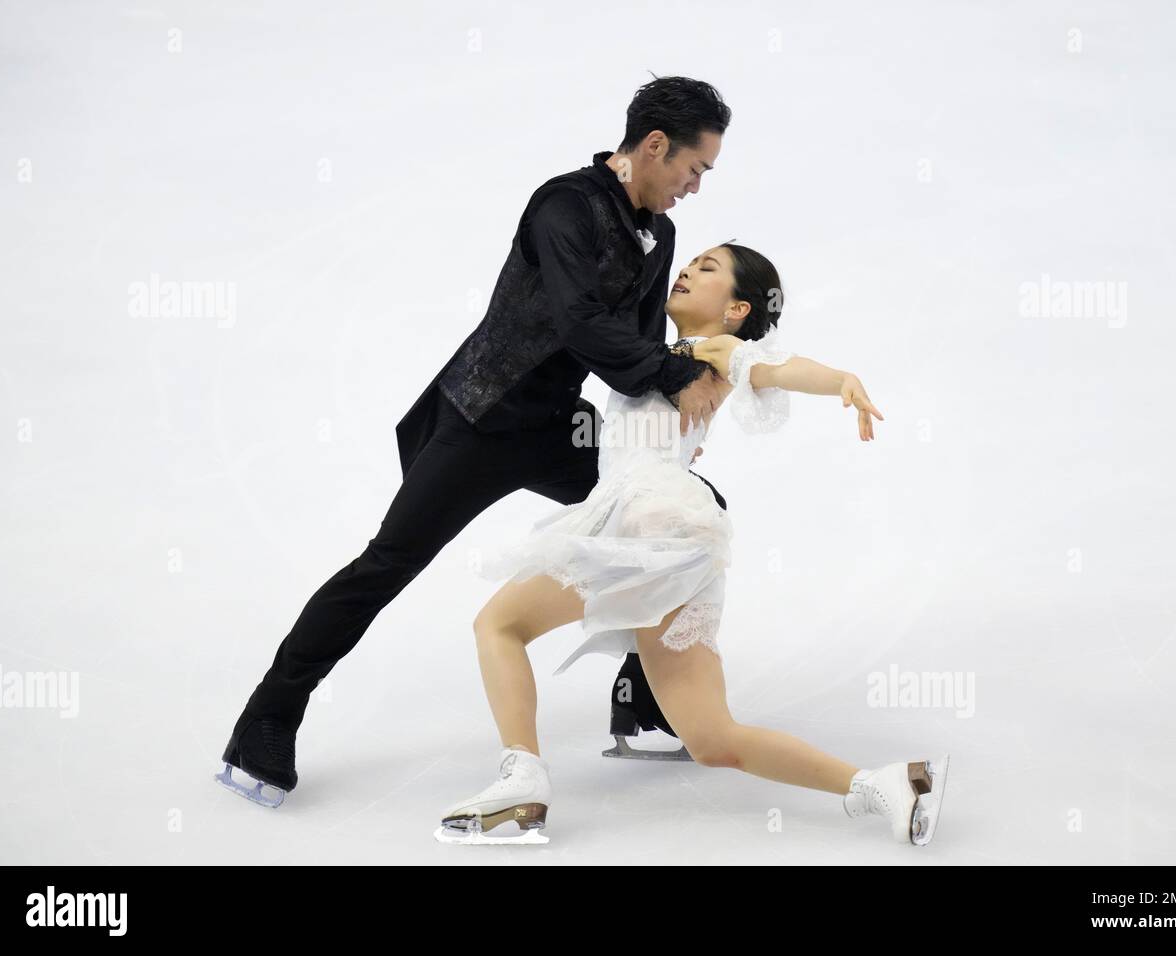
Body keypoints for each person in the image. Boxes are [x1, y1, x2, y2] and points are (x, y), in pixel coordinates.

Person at [215, 75, 736, 808]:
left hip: (559, 426)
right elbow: (583, 324)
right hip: (482, 417)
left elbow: (637, 350)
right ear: (655, 145)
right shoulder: (565, 206)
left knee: (688, 511)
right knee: (386, 564)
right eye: (695, 168)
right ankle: (266, 720)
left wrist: (660, 439)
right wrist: (674, 373)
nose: (695, 185)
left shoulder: (662, 234)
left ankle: (643, 693)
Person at [435, 243, 950, 847]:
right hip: (685, 539)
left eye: (706, 269)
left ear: (735, 310)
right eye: (688, 264)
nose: (685, 271)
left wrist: (841, 381)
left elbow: (774, 369)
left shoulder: (709, 347)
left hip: (648, 512)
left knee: (499, 626)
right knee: (713, 740)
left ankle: (522, 784)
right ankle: (888, 784)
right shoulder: (651, 350)